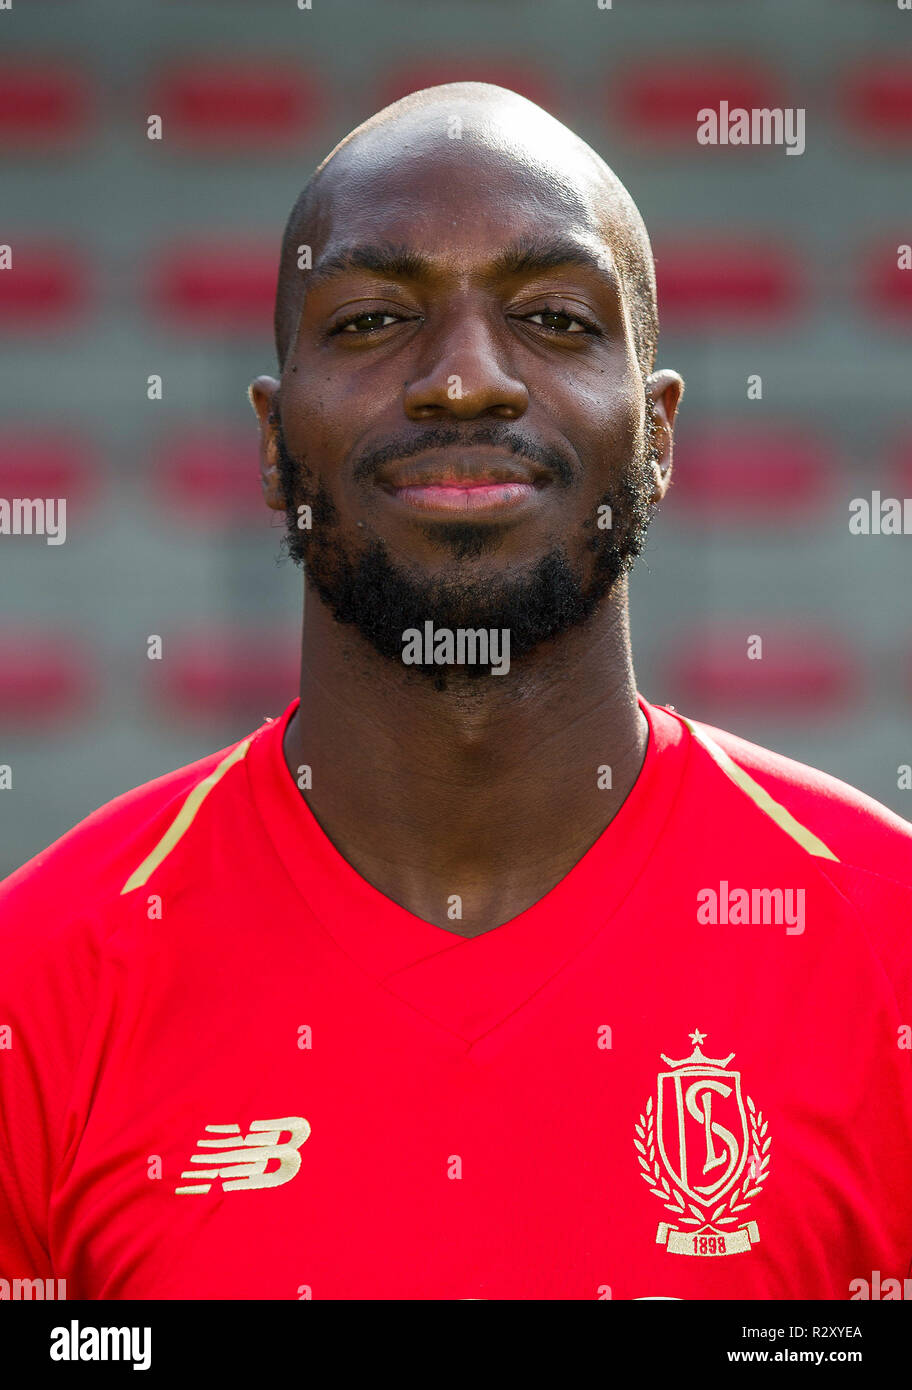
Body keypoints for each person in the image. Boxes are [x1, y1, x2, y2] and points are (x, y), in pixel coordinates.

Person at [1, 83, 910, 1301]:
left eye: (552, 317)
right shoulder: (43, 982)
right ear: (274, 446)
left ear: (659, 434)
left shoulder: (883, 951)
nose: (467, 380)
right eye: (374, 320)